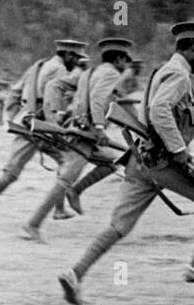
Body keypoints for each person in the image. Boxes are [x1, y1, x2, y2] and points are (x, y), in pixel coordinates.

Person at [58, 22, 194, 304]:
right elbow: (160, 111)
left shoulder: (165, 72)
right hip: (163, 166)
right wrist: (179, 150)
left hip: (141, 162)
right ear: (191, 47)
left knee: (118, 227)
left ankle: (75, 273)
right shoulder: (179, 76)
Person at [0, 39, 85, 229]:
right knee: (14, 173)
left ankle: (59, 208)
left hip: (28, 123)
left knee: (63, 162)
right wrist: (59, 123)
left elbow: (16, 90)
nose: (77, 62)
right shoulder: (61, 70)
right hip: (39, 127)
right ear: (68, 55)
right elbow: (53, 103)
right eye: (76, 58)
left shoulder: (40, 64)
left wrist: (14, 116)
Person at [24, 37, 134, 239]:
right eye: (125, 61)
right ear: (119, 59)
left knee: (112, 162)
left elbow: (54, 86)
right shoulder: (110, 74)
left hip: (84, 132)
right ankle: (33, 224)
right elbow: (98, 99)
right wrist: (100, 127)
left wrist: (55, 113)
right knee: (64, 180)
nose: (125, 66)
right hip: (84, 135)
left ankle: (76, 192)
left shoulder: (89, 73)